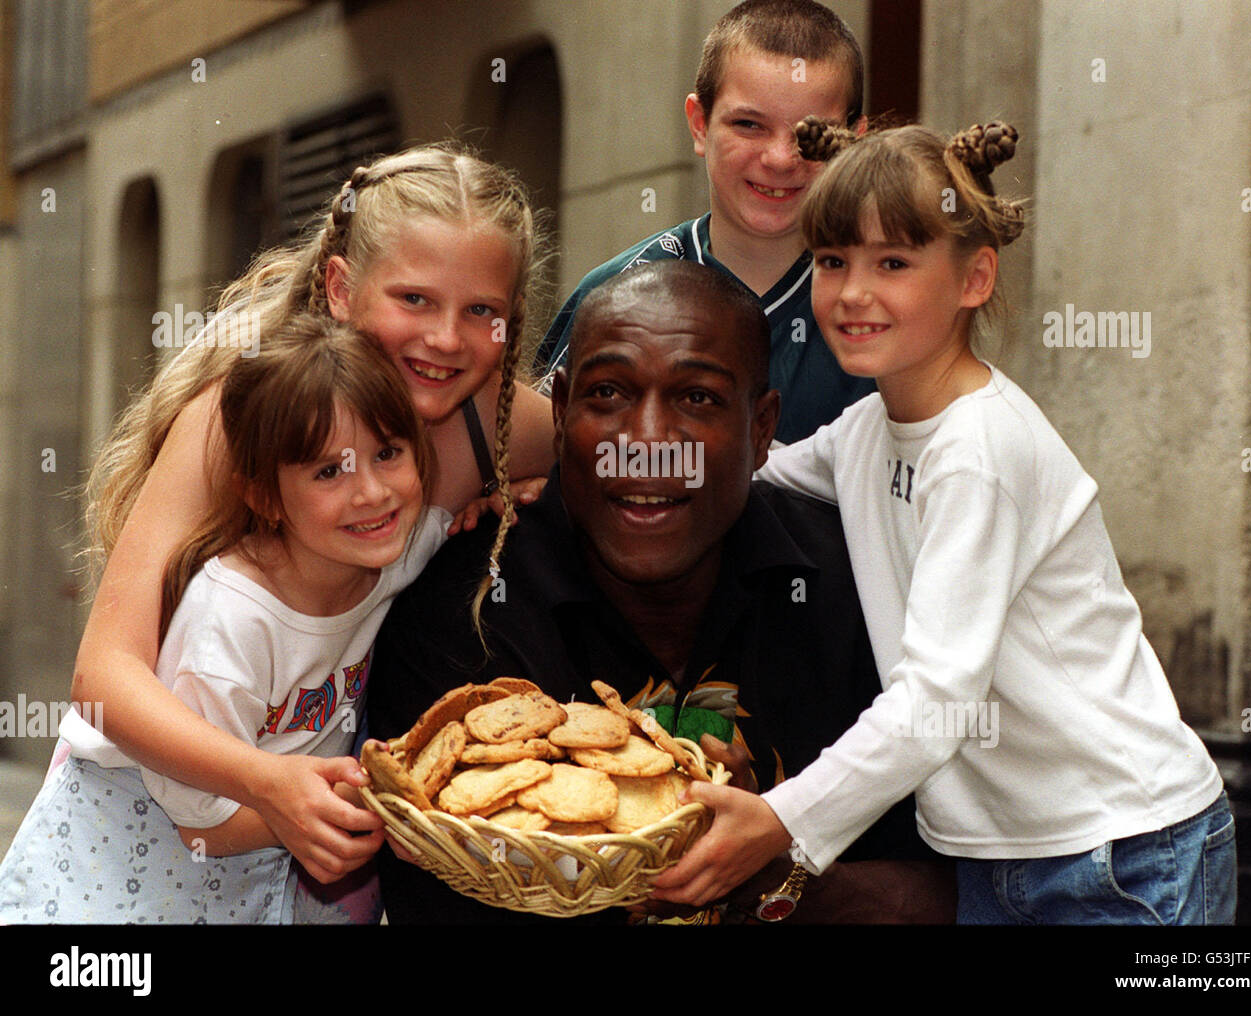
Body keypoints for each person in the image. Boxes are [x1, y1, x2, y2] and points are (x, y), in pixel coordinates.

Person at [653, 119, 1236, 925]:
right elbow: (750, 473)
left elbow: (935, 701)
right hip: (995, 859)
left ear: (974, 278)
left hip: (1123, 852)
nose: (854, 290)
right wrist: (577, 465)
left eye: (893, 261)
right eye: (832, 261)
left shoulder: (977, 448)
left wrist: (785, 819)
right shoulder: (869, 428)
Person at [367, 261, 954, 924]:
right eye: (609, 394)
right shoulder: (465, 615)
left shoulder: (860, 584)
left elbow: (961, 891)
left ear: (762, 428)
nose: (646, 444)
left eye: (698, 398)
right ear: (559, 413)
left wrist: (779, 864)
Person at [69, 143, 554, 888]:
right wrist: (264, 781)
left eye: (481, 311)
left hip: (321, 820)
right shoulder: (243, 418)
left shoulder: (489, 421)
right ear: (340, 288)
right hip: (146, 821)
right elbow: (103, 677)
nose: (446, 338)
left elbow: (626, 461)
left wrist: (535, 491)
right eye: (414, 299)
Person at [0, 316, 449, 922]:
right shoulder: (233, 621)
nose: (372, 491)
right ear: (263, 496)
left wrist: (508, 497)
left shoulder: (394, 544)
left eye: (388, 453)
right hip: (118, 861)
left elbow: (455, 517)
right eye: (328, 471)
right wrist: (346, 820)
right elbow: (197, 820)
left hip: (237, 866)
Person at [535, 0, 876, 445]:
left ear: (854, 141)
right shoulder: (618, 290)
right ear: (699, 125)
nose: (778, 159)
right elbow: (541, 448)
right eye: (749, 125)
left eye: (809, 133)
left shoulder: (882, 304)